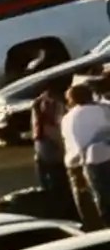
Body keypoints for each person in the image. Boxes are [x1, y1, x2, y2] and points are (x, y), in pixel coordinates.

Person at [61, 83, 110, 230]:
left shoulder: (70, 117)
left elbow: (77, 145)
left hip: (88, 163)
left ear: (72, 100)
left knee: (97, 201)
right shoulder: (105, 108)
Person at [32, 81, 76, 219]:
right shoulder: (53, 105)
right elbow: (54, 131)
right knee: (62, 190)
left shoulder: (38, 103)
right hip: (55, 156)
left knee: (52, 191)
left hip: (42, 154)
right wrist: (66, 151)